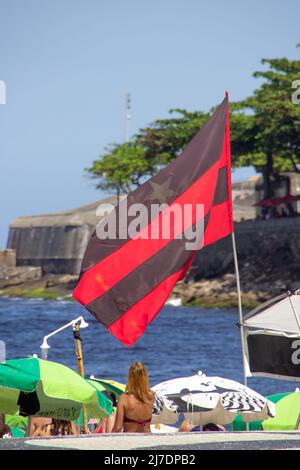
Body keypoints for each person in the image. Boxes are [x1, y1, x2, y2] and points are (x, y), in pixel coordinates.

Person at [112, 362, 155, 433]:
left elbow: (118, 427)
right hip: (148, 438)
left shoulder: (124, 398)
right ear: (145, 377)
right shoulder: (152, 396)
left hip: (130, 439)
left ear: (130, 378)